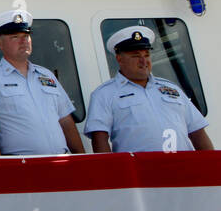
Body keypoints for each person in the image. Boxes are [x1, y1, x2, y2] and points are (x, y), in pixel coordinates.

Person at [85, 26, 213, 153]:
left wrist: (213, 167)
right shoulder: (104, 94)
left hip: (183, 167)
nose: (143, 61)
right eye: (135, 56)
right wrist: (111, 172)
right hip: (138, 170)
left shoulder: (172, 89)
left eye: (146, 55)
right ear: (119, 59)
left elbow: (197, 132)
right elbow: (99, 139)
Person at [0, 9, 83, 156]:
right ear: (0, 44)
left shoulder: (46, 75)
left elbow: (66, 121)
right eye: (15, 37)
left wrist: (82, 158)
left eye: (26, 36)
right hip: (19, 165)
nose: (23, 41)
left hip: (60, 161)